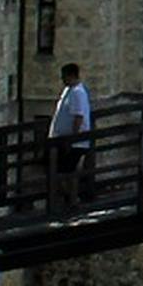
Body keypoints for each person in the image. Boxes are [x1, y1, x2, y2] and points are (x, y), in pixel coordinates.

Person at [46, 63, 92, 203]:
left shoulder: (78, 92)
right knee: (62, 171)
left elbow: (78, 117)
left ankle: (71, 199)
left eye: (64, 76)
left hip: (74, 142)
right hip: (63, 139)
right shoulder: (69, 90)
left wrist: (71, 140)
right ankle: (69, 199)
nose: (62, 79)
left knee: (66, 172)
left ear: (71, 75)